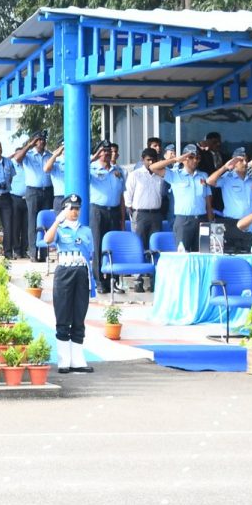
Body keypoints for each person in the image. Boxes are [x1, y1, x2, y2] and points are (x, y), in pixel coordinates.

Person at [43, 193, 93, 374]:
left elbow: (91, 254)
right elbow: (47, 240)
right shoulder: (60, 228)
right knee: (63, 314)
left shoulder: (86, 230)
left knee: (79, 314)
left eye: (77, 208)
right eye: (71, 208)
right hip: (65, 270)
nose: (75, 212)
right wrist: (57, 221)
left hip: (81, 271)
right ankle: (64, 360)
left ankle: (78, 359)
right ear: (65, 210)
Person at [206, 146, 252, 254]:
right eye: (241, 160)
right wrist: (225, 167)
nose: (245, 163)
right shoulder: (227, 178)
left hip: (250, 223)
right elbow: (210, 181)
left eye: (246, 160)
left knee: (251, 254)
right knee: (231, 255)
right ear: (233, 163)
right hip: (231, 223)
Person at [150, 144, 211, 253]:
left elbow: (208, 201)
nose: (195, 160)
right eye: (191, 157)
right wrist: (175, 159)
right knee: (183, 254)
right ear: (184, 159)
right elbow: (153, 167)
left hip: (202, 220)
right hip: (184, 221)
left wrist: (210, 221)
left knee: (203, 253)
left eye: (197, 158)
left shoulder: (203, 176)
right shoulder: (175, 174)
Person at [124, 146, 164, 283]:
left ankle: (153, 276)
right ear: (142, 160)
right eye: (148, 160)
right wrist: (131, 212)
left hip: (156, 214)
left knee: (155, 245)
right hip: (140, 214)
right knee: (138, 244)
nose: (151, 163)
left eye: (153, 160)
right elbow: (128, 195)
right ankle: (138, 278)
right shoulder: (135, 174)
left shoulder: (161, 175)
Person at [87, 142, 125, 283]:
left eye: (109, 151)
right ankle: (99, 280)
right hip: (98, 211)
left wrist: (122, 219)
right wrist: (93, 157)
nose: (107, 153)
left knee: (113, 245)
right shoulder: (91, 168)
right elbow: (78, 169)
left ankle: (113, 280)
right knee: (97, 245)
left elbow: (121, 197)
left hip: (114, 212)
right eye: (104, 151)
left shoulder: (118, 171)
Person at [12, 132, 51, 261]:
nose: (41, 142)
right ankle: (33, 252)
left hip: (47, 191)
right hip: (33, 191)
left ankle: (44, 253)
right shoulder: (28, 155)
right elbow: (17, 158)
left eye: (43, 140)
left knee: (45, 222)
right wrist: (29, 145)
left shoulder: (48, 155)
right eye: (38, 140)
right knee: (32, 221)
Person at [44, 142, 67, 212]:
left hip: (73, 196)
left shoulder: (76, 161)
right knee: (60, 222)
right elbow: (46, 168)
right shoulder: (56, 161)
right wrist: (55, 155)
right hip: (60, 197)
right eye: (63, 148)